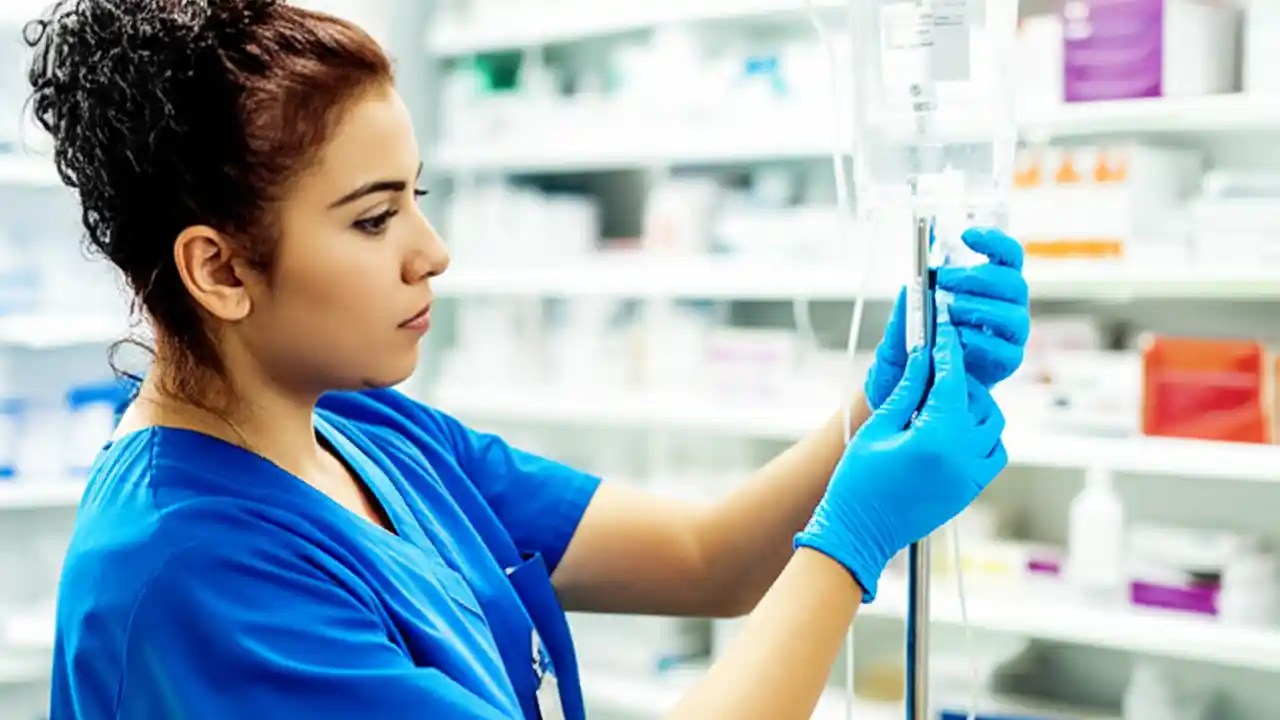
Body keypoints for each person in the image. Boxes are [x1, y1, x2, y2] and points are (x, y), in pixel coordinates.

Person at [28, 2, 1030, 719]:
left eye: (416, 197)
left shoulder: (366, 432)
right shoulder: (190, 578)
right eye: (374, 219)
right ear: (219, 269)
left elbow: (707, 559)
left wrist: (876, 406)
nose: (432, 251)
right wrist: (852, 540)